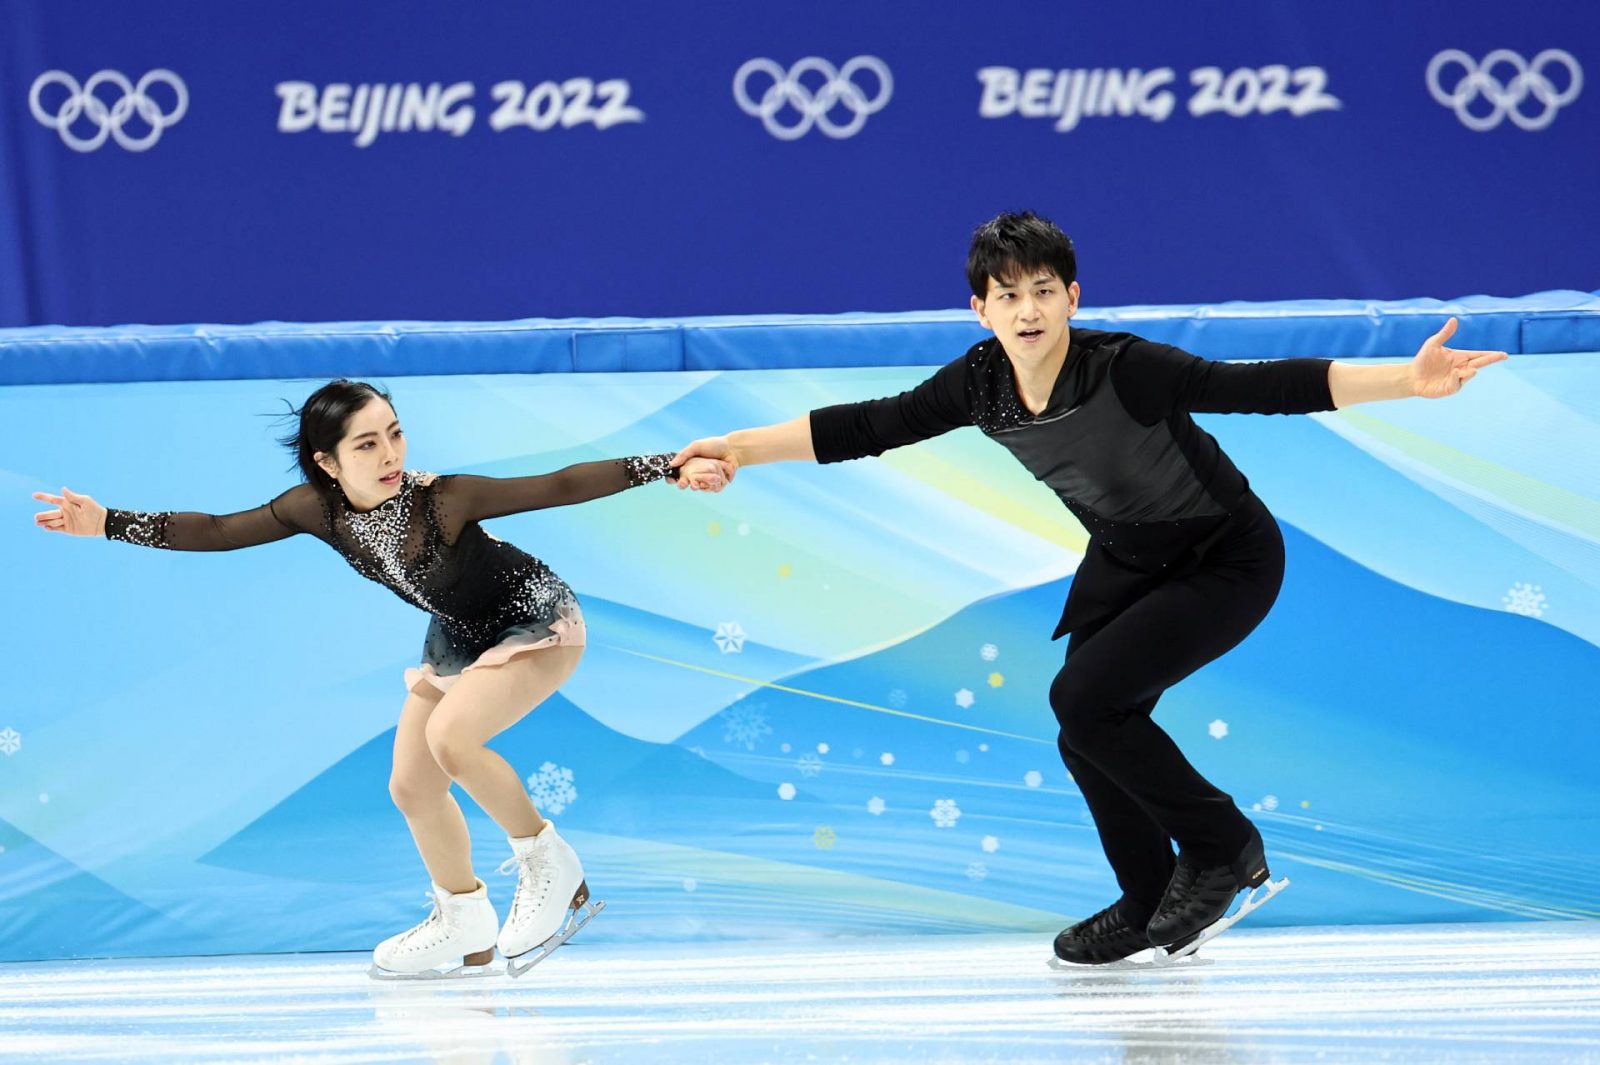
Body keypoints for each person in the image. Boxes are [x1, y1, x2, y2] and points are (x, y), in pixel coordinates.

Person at [671, 211, 1507, 964]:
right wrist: (737, 446)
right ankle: (1149, 903)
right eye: (1008, 295)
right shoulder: (978, 384)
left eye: (1043, 290)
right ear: (981, 310)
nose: (1027, 310)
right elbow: (863, 425)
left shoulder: (1128, 368)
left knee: (1088, 699)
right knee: (1087, 726)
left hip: (1228, 557)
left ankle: (1221, 847)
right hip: (1130, 560)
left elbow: (1259, 387)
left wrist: (1408, 379)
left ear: (1073, 296)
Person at [32, 379, 729, 978]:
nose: (391, 453)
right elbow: (218, 529)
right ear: (326, 462)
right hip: (457, 637)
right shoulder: (317, 508)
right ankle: (464, 919)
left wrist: (666, 464)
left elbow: (558, 484)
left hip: (535, 619)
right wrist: (108, 524)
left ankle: (552, 866)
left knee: (453, 737)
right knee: (411, 782)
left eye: (393, 434)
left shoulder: (444, 501)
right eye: (367, 444)